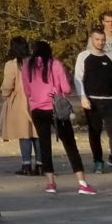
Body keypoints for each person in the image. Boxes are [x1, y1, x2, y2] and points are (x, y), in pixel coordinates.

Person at [23, 38, 94, 194]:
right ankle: (82, 182)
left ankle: (50, 183)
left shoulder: (27, 66)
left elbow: (27, 90)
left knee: (44, 145)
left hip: (37, 109)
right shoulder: (55, 64)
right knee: (70, 145)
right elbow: (66, 88)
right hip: (56, 108)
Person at [74, 28, 112, 175]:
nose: (100, 42)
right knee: (95, 132)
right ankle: (98, 161)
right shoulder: (83, 56)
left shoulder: (111, 58)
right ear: (91, 40)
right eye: (97, 39)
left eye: (103, 40)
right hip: (92, 101)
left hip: (111, 100)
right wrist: (82, 97)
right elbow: (78, 78)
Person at [0, 37, 37, 175]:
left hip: (20, 100)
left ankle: (26, 165)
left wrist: (5, 96)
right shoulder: (35, 62)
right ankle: (41, 164)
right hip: (38, 100)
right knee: (37, 133)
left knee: (25, 133)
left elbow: (8, 84)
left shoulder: (12, 64)